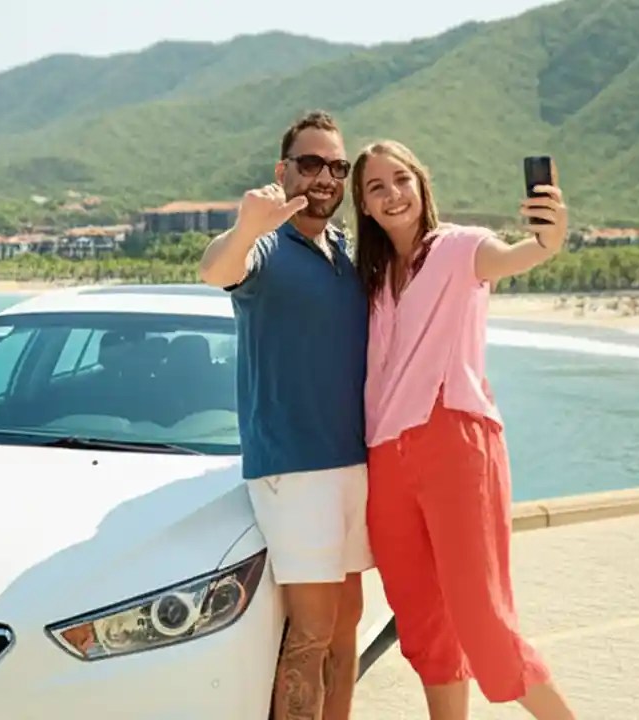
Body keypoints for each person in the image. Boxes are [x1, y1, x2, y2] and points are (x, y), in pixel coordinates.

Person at [351, 139, 576, 720]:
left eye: (401, 179)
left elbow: (514, 256)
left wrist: (547, 238)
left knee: (483, 623)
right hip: (384, 458)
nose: (392, 194)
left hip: (453, 440)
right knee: (423, 624)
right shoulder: (371, 279)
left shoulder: (459, 248)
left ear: (421, 183)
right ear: (366, 207)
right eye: (376, 187)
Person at [198, 110, 371, 720]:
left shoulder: (347, 252)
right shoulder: (267, 247)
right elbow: (216, 269)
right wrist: (246, 227)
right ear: (285, 170)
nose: (325, 176)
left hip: (356, 465)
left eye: (337, 166)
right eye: (311, 163)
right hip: (295, 471)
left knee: (347, 629)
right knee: (311, 634)